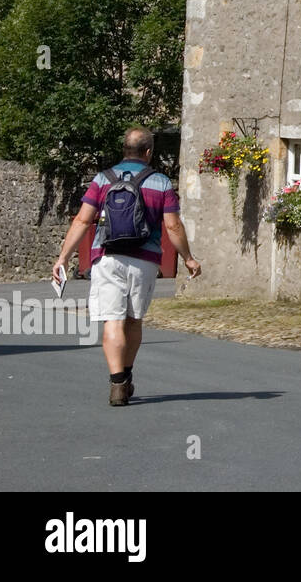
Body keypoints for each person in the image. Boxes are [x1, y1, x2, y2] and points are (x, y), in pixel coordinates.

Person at [52, 127, 202, 407]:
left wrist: (63, 257)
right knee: (133, 320)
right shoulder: (161, 183)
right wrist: (188, 258)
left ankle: (117, 382)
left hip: (107, 257)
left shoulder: (102, 179)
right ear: (148, 152)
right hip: (144, 261)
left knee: (113, 320)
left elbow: (83, 221)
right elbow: (173, 225)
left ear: (124, 150)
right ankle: (128, 373)